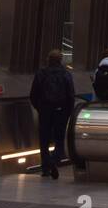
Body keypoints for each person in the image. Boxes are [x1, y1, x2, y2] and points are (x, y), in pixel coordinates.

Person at [29, 49, 75, 178]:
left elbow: (33, 94)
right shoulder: (66, 74)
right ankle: (54, 160)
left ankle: (45, 167)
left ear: (48, 59)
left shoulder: (41, 74)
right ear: (61, 60)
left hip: (45, 110)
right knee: (59, 138)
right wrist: (69, 111)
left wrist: (40, 107)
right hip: (61, 110)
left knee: (44, 139)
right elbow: (71, 95)